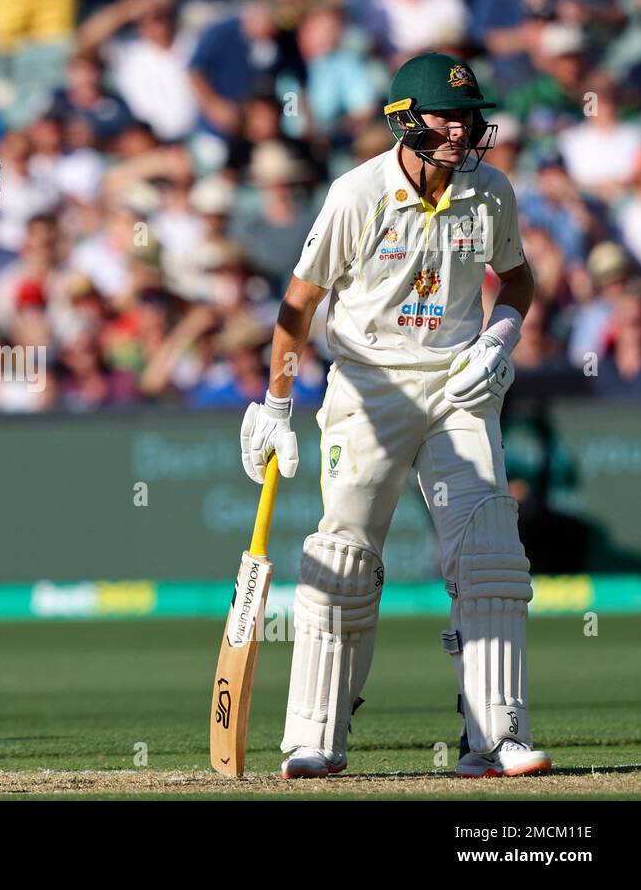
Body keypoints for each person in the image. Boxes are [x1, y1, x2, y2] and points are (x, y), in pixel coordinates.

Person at [240, 53, 551, 779]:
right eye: (447, 116)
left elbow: (519, 280)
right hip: (369, 384)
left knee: (490, 553)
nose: (463, 127)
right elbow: (297, 309)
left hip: (457, 382)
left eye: (469, 114)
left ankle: (496, 737)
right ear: (406, 122)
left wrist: (498, 339)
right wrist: (277, 405)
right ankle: (317, 737)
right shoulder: (357, 194)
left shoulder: (490, 190)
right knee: (344, 557)